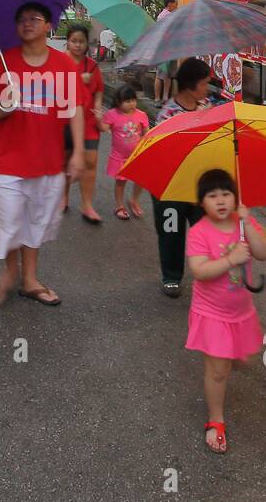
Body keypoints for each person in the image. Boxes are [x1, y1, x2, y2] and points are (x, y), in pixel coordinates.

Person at [0, 2, 84, 307]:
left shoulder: (64, 64)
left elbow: (76, 109)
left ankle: (29, 279)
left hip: (47, 161)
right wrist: (5, 102)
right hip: (8, 162)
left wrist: (78, 151)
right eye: (21, 19)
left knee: (35, 223)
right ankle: (9, 274)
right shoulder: (2, 63)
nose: (27, 23)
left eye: (34, 19)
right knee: (10, 220)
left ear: (47, 25)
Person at [186, 168, 266, 453]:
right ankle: (215, 420)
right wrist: (230, 259)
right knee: (219, 371)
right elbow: (199, 270)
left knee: (241, 356)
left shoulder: (243, 223)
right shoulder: (199, 232)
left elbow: (263, 252)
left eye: (226, 194)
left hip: (241, 310)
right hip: (213, 314)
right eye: (212, 196)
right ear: (201, 203)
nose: (221, 200)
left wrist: (249, 225)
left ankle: (231, 355)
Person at [153, 58, 216, 297]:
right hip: (170, 186)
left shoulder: (207, 105)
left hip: (201, 184)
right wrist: (196, 122)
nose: (207, 89)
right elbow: (167, 152)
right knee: (171, 233)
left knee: (207, 230)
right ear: (191, 86)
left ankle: (208, 273)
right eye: (204, 84)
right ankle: (171, 276)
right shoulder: (168, 113)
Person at [62, 24, 104, 223]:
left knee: (90, 163)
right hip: (63, 120)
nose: (77, 45)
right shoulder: (60, 63)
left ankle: (87, 205)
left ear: (87, 44)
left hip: (88, 122)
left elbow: (99, 91)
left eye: (81, 41)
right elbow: (54, 87)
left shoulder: (93, 66)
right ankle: (64, 196)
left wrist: (98, 108)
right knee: (64, 161)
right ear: (67, 42)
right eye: (74, 41)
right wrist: (79, 79)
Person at [100, 84, 149, 220]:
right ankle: (119, 205)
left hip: (137, 155)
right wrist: (98, 118)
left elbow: (146, 133)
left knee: (140, 179)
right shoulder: (112, 114)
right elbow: (103, 128)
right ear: (118, 102)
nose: (131, 103)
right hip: (119, 157)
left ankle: (134, 200)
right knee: (121, 182)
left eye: (133, 100)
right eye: (127, 101)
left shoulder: (141, 115)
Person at [153, 0, 179, 104]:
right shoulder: (166, 16)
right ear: (169, 4)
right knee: (161, 75)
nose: (177, 6)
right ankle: (158, 98)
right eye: (176, 4)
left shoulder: (167, 15)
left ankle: (164, 98)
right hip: (165, 49)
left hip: (169, 48)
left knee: (167, 75)